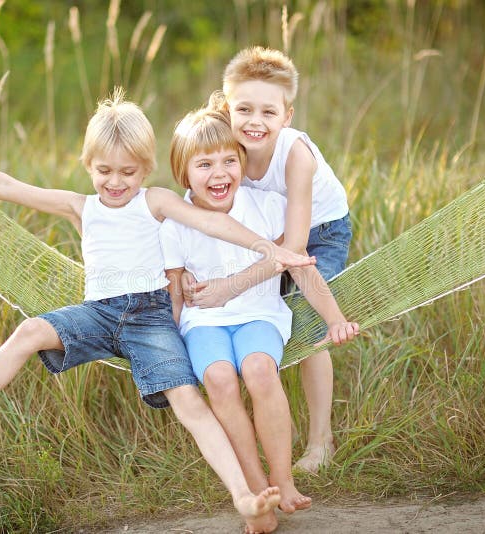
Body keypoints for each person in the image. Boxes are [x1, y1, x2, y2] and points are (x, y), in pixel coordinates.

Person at [0, 89, 316, 533]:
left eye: (128, 172)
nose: (116, 182)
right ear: (88, 165)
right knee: (30, 330)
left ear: (146, 169)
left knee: (189, 401)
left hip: (151, 319)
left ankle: (244, 497)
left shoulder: (155, 201)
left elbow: (213, 222)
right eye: (104, 171)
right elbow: (7, 185)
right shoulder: (81, 206)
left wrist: (268, 249)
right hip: (99, 314)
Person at [161, 107, 358, 525]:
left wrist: (334, 318)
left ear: (241, 162)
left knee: (260, 371)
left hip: (260, 315)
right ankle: (255, 490)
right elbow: (175, 292)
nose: (220, 174)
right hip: (203, 323)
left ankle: (282, 479)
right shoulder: (176, 223)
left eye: (229, 160)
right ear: (184, 173)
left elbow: (298, 263)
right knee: (217, 379)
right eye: (205, 165)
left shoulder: (266, 206)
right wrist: (170, 353)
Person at [182, 47, 353, 473]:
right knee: (257, 299)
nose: (255, 122)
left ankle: (320, 442)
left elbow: (294, 250)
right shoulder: (225, 137)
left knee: (303, 313)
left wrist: (229, 287)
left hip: (315, 235)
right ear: (227, 108)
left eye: (268, 112)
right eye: (244, 109)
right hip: (256, 234)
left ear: (287, 116)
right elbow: (200, 183)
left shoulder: (296, 155)